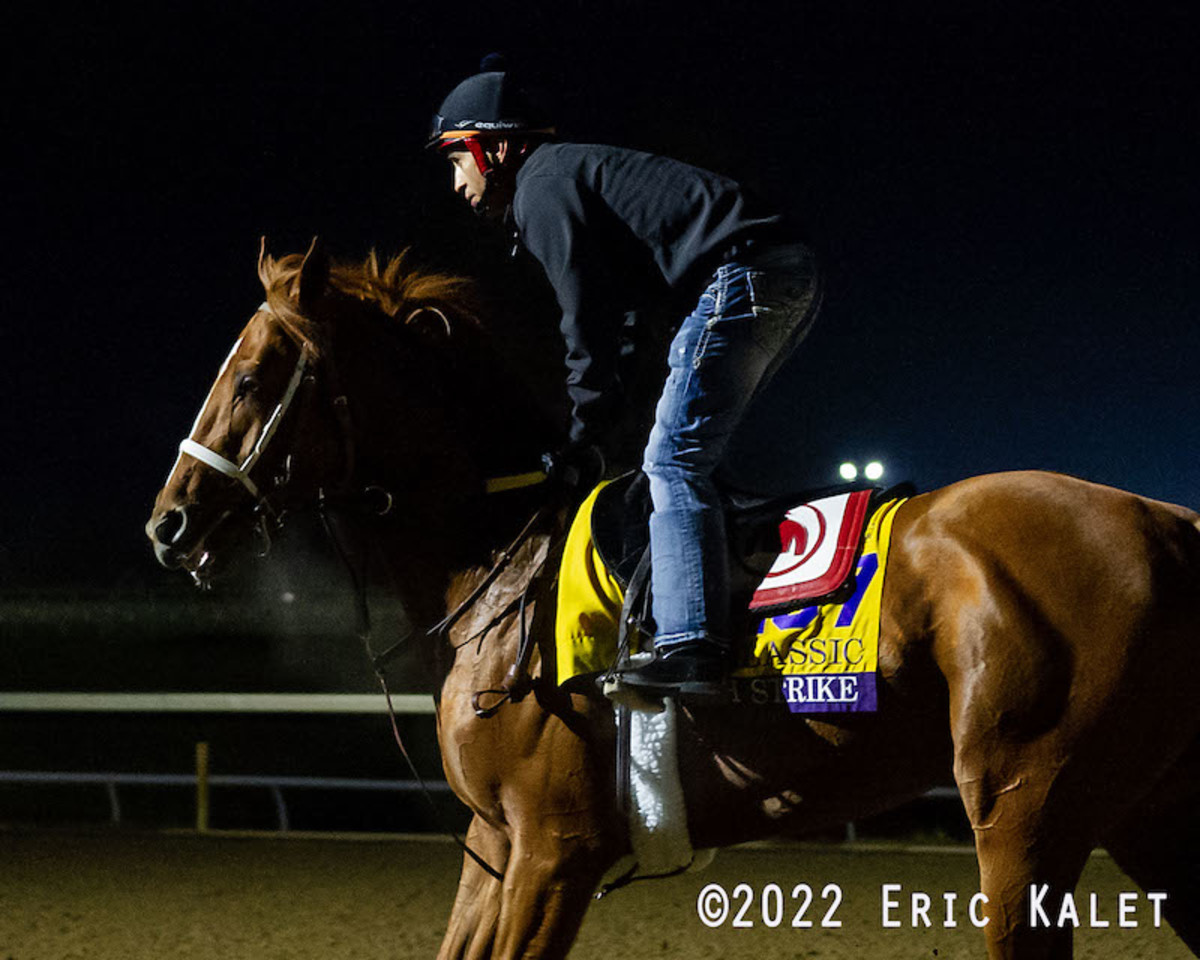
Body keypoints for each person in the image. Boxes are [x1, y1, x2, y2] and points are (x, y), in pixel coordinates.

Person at [428, 57, 821, 695]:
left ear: (494, 147)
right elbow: (628, 321)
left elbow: (586, 323)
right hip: (774, 273)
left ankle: (691, 643)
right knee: (674, 451)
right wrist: (607, 430)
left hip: (743, 276)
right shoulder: (566, 177)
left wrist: (583, 435)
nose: (454, 182)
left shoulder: (540, 188)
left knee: (674, 460)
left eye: (454, 159)